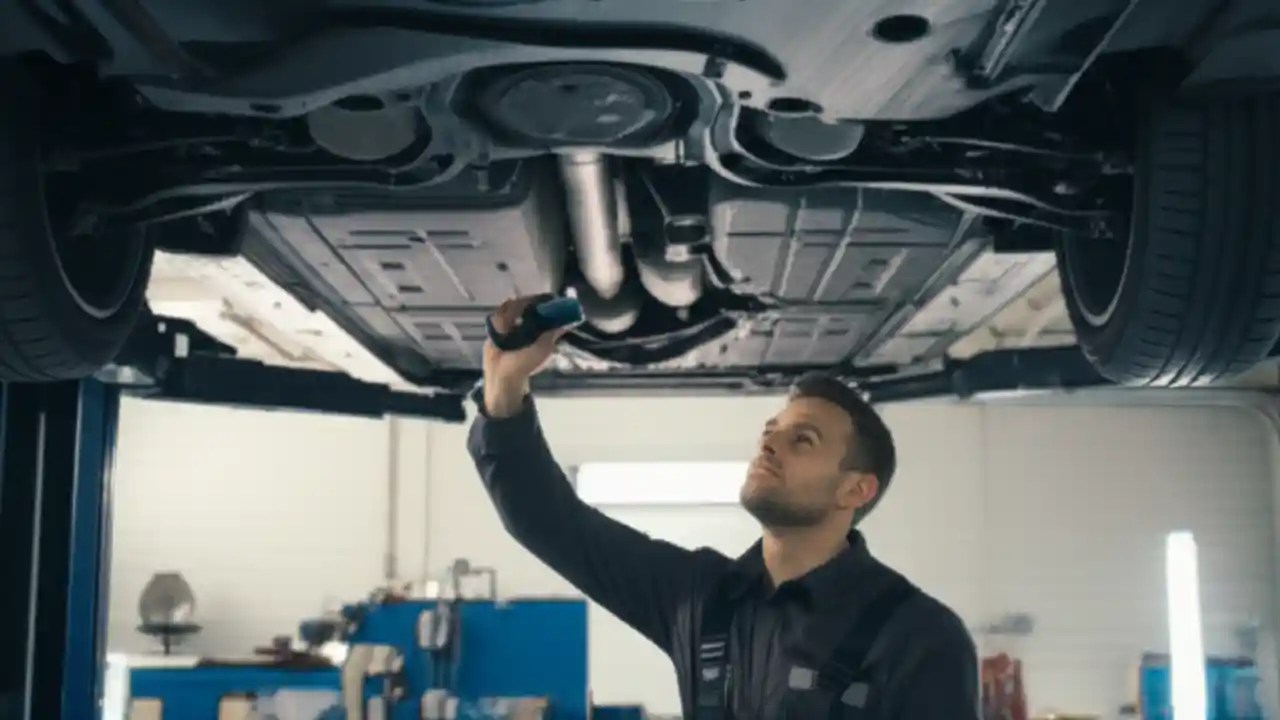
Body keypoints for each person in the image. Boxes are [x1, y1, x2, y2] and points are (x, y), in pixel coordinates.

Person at [467, 295, 980, 719]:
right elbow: (550, 521)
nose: (769, 446)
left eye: (802, 441)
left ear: (855, 490)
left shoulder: (920, 637)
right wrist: (504, 383)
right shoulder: (701, 599)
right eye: (769, 433)